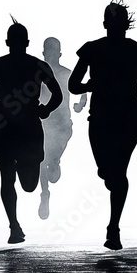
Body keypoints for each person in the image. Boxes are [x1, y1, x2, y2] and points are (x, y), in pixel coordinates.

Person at [70, 1, 137, 251]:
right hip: (104, 119)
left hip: (122, 120)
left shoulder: (128, 50)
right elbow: (73, 85)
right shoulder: (95, 50)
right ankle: (113, 224)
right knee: (109, 174)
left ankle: (113, 228)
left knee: (117, 174)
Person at [0, 21, 63, 244]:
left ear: (7, 43)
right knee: (12, 179)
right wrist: (45, 109)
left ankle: (14, 225)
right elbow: (57, 95)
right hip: (23, 129)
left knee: (24, 183)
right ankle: (14, 226)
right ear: (27, 43)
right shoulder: (37, 66)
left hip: (10, 128)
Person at [38, 37, 87, 220]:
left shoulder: (66, 73)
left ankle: (56, 161)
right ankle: (44, 193)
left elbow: (82, 90)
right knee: (42, 160)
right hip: (44, 123)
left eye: (53, 52)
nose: (50, 56)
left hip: (63, 124)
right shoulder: (37, 75)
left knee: (50, 158)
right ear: (43, 54)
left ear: (59, 54)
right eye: (47, 52)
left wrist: (81, 104)